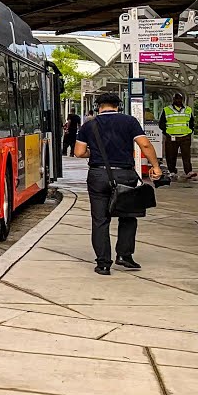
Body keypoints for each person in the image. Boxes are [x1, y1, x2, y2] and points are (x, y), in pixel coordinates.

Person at [74, 92, 163, 276]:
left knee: (100, 220)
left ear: (98, 107)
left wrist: (97, 153)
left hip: (98, 175)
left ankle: (103, 264)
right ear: (118, 106)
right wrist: (155, 166)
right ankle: (124, 255)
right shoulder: (129, 122)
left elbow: (79, 152)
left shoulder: (88, 125)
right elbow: (144, 145)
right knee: (128, 215)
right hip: (125, 174)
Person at [159, 92, 196, 179]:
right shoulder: (167, 110)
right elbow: (162, 123)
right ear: (173, 99)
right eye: (176, 98)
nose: (178, 100)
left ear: (182, 100)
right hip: (171, 136)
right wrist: (167, 132)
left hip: (185, 136)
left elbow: (191, 122)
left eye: (179, 98)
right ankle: (172, 171)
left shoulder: (188, 109)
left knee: (186, 155)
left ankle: (188, 171)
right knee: (171, 155)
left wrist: (189, 131)